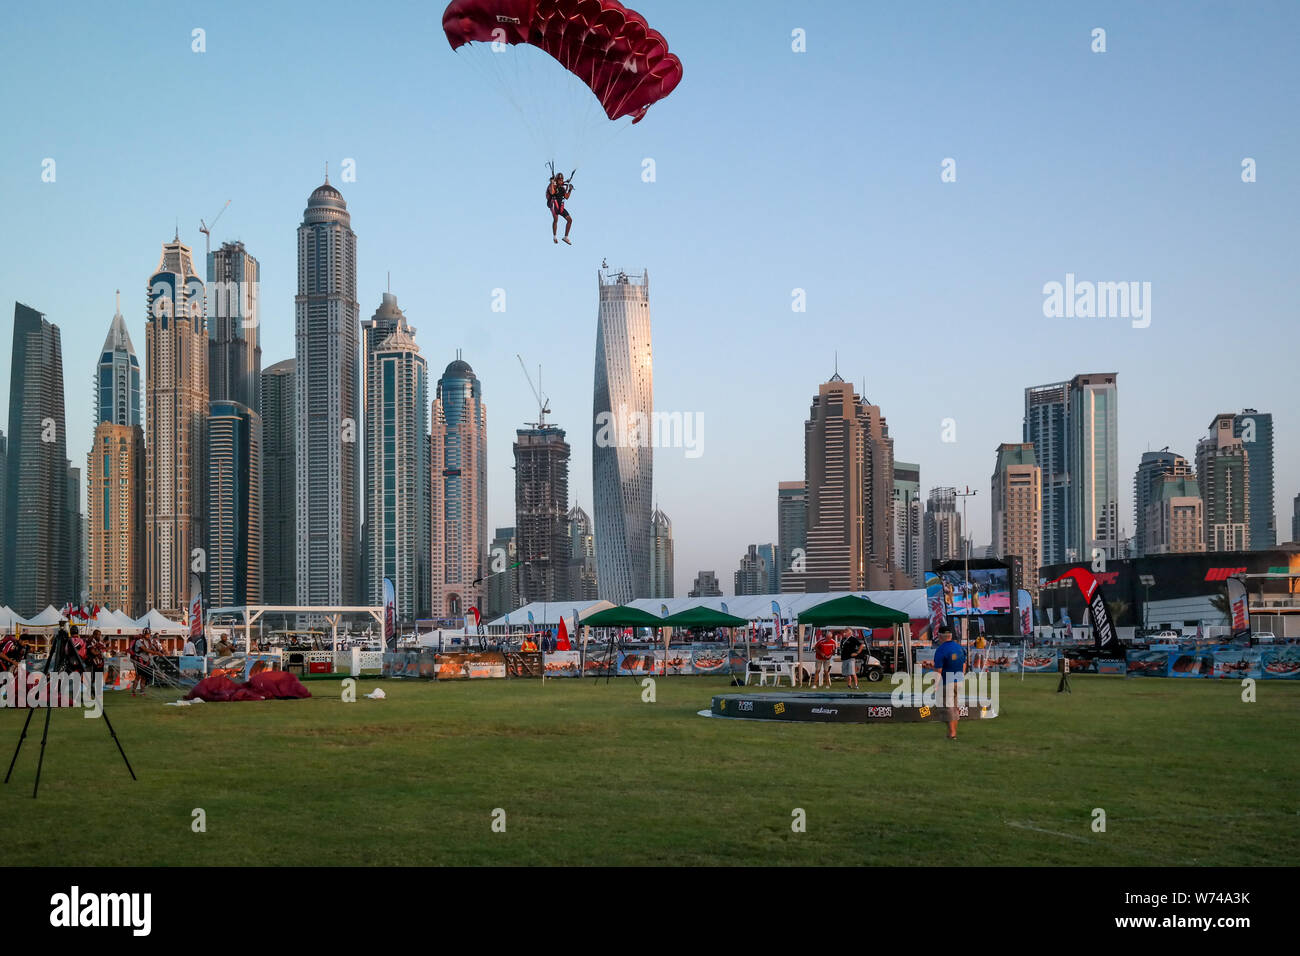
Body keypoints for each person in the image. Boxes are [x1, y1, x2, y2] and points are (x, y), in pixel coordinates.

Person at [933, 626, 967, 740]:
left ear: (940, 636)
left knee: (948, 708)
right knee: (955, 707)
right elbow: (964, 664)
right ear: (951, 636)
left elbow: (938, 670)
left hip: (947, 682)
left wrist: (935, 685)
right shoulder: (959, 647)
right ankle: (951, 733)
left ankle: (952, 734)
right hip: (959, 680)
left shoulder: (941, 650)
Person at [546, 172, 573, 244]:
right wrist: (552, 183)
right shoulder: (552, 186)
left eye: (562, 180)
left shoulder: (562, 188)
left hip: (560, 207)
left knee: (570, 220)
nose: (561, 181)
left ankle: (566, 237)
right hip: (554, 206)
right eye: (559, 180)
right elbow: (552, 192)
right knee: (556, 219)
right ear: (556, 180)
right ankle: (554, 236)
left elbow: (566, 197)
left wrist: (570, 189)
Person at [129, 628, 151, 696]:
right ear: (144, 634)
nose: (148, 636)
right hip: (139, 660)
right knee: (138, 676)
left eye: (149, 634)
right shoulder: (139, 641)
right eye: (147, 634)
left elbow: (150, 649)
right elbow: (145, 650)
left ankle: (142, 691)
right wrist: (156, 652)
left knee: (144, 677)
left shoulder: (149, 641)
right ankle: (133, 691)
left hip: (146, 660)